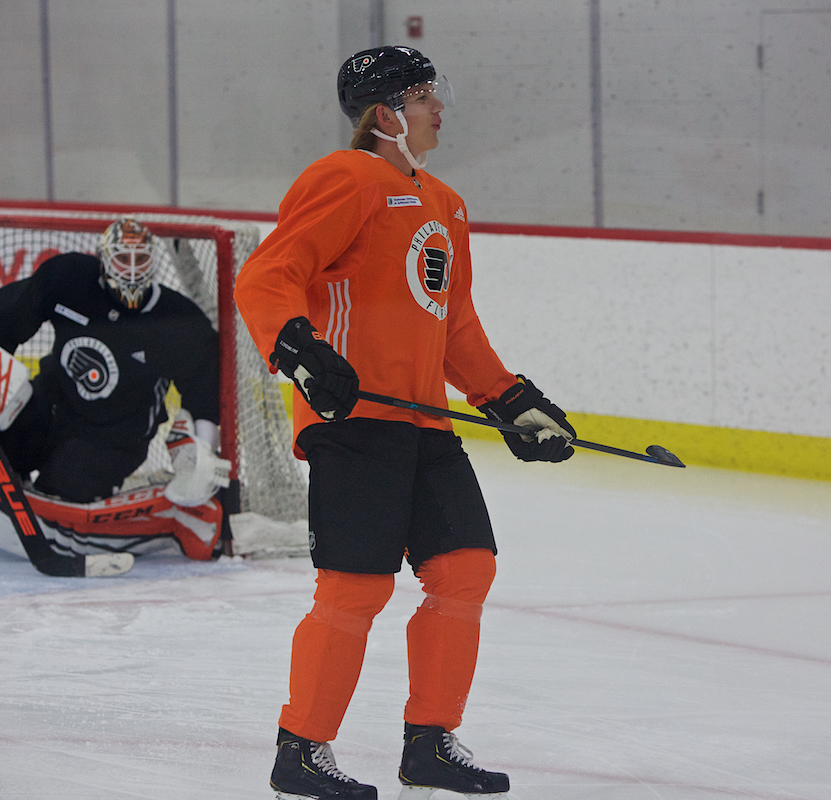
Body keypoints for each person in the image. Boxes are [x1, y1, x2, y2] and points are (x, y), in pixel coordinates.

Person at [234, 46, 576, 799]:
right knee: (355, 587)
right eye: (423, 96)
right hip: (354, 421)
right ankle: (301, 752)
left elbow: (453, 324)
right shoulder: (343, 177)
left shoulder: (446, 203)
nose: (438, 107)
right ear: (384, 113)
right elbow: (268, 274)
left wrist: (509, 399)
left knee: (465, 570)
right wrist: (299, 350)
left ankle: (429, 743)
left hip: (426, 426)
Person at [0, 217, 232, 562]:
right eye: (122, 259)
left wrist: (203, 451)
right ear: (104, 259)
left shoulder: (176, 321)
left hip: (113, 436)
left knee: (62, 493)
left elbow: (203, 390)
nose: (131, 270)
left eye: (140, 259)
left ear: (153, 262)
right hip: (51, 406)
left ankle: (176, 520)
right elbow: (2, 317)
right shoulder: (67, 279)